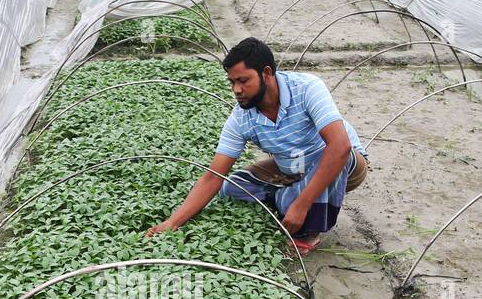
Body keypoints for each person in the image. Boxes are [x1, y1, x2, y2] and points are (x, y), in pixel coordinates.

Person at [145, 37, 367, 253]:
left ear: (267, 73)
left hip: (342, 163)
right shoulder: (242, 117)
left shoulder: (307, 87)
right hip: (291, 166)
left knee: (339, 155)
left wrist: (301, 205)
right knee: (231, 188)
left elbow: (340, 146)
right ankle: (288, 197)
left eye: (243, 81)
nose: (236, 90)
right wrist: (172, 222)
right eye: (232, 82)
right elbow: (213, 176)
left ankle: (309, 229)